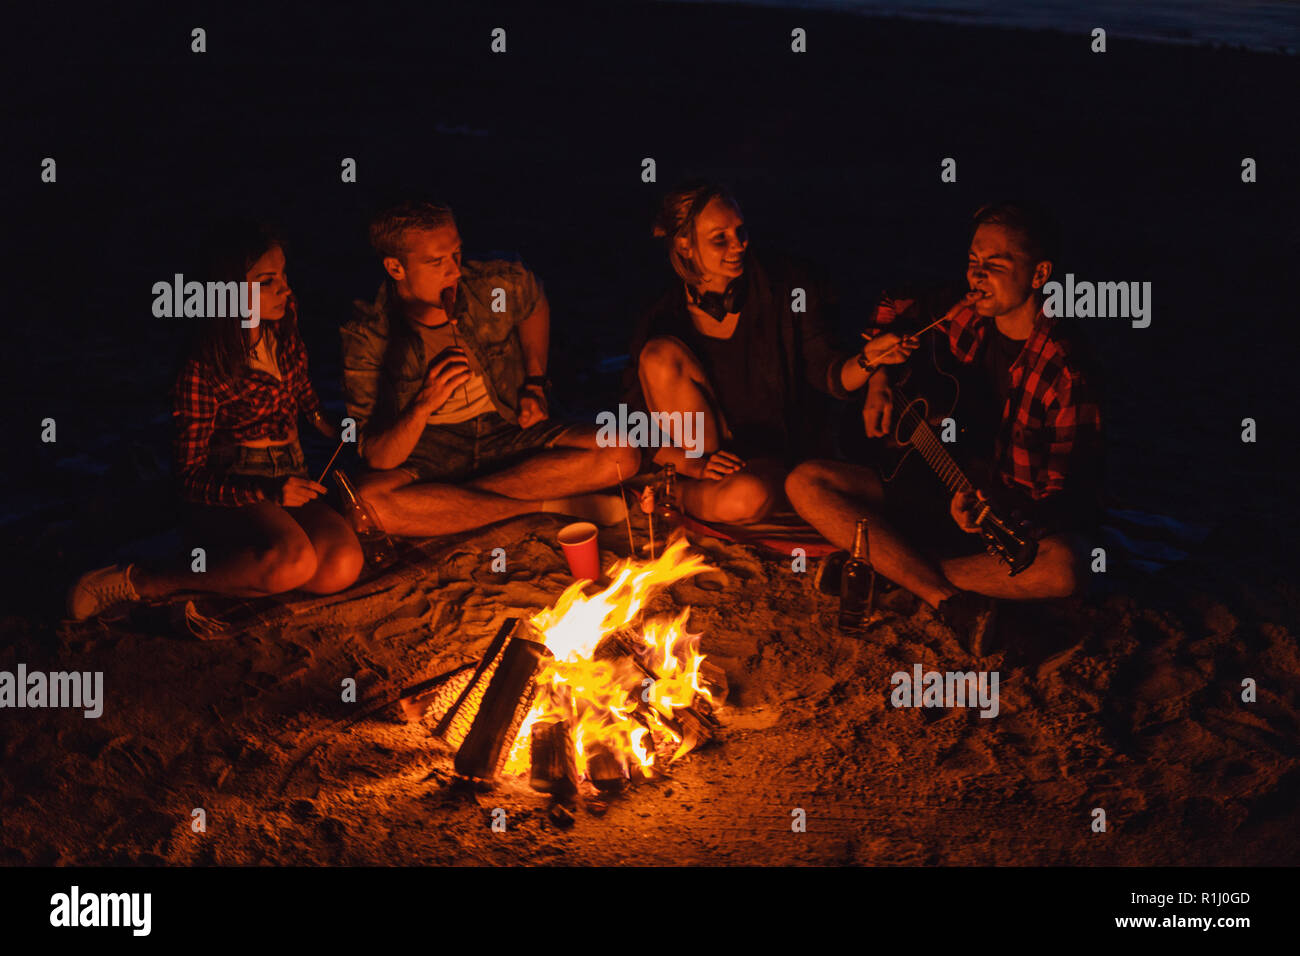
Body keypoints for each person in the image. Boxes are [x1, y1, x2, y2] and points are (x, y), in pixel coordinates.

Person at [785, 202, 1104, 652]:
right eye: (974, 263)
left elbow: (1068, 493)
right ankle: (934, 586)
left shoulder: (1065, 371)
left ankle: (897, 571)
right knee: (805, 482)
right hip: (928, 482)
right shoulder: (963, 312)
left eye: (995, 266)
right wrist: (879, 377)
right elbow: (895, 303)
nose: (977, 277)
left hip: (992, 512)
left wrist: (997, 509)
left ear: (1039, 274)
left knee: (1069, 567)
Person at [68, 222, 364, 620]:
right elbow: (188, 477)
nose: (286, 289)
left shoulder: (284, 330)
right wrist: (267, 490)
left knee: (339, 565)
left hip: (291, 475)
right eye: (267, 281)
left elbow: (304, 395)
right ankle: (145, 578)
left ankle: (242, 568)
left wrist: (339, 426)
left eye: (284, 276)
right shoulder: (202, 368)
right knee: (294, 562)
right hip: (232, 488)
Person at [341, 200, 639, 536]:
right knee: (366, 504)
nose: (454, 270)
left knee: (622, 453)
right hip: (429, 448)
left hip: (506, 426)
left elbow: (533, 300)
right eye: (436, 262)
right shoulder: (368, 334)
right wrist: (424, 402)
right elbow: (379, 457)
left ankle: (454, 503)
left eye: (456, 252)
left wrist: (535, 384)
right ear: (396, 268)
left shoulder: (492, 283)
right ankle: (545, 506)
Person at [628, 181, 915, 525]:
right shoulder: (662, 316)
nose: (739, 245)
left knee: (746, 497)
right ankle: (685, 485)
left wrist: (870, 361)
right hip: (707, 458)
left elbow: (829, 373)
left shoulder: (789, 285)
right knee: (659, 354)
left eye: (741, 230)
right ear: (685, 246)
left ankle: (671, 493)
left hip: (774, 459)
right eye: (720, 238)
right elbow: (636, 421)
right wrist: (695, 464)